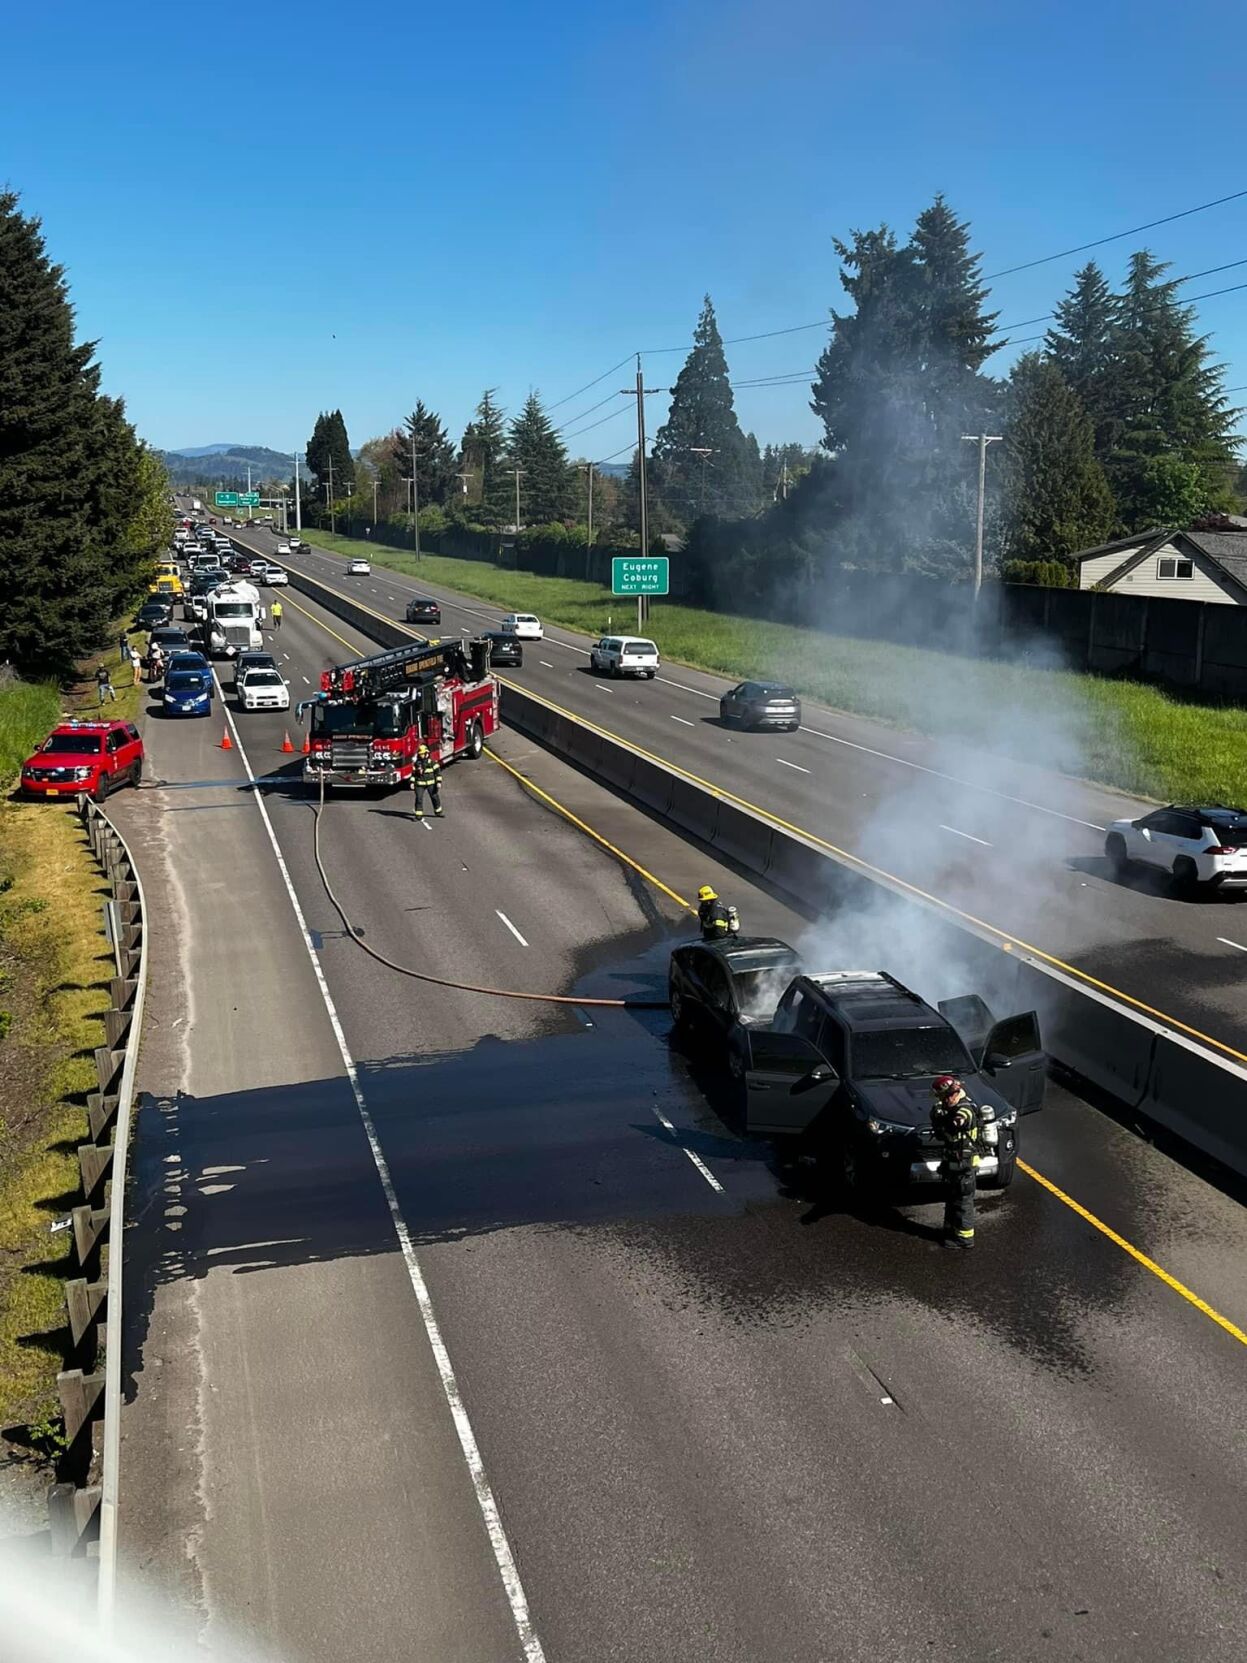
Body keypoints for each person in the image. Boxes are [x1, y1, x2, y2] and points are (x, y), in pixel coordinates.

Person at [930, 1075, 983, 1250]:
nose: (945, 1101)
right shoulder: (950, 1107)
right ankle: (951, 1231)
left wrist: (941, 1117)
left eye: (946, 1097)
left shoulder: (964, 1110)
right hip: (954, 1164)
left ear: (954, 1093)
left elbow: (955, 1124)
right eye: (942, 1099)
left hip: (964, 1166)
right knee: (952, 1200)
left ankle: (964, 1238)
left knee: (962, 1203)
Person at [411, 743, 443, 820]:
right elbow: (413, 774)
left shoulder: (432, 763)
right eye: (420, 754)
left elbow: (438, 773)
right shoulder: (417, 764)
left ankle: (438, 811)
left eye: (422, 754)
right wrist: (412, 782)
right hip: (419, 784)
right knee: (419, 798)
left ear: (427, 754)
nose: (421, 755)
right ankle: (418, 815)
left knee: (434, 797)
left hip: (431, 783)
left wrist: (438, 782)